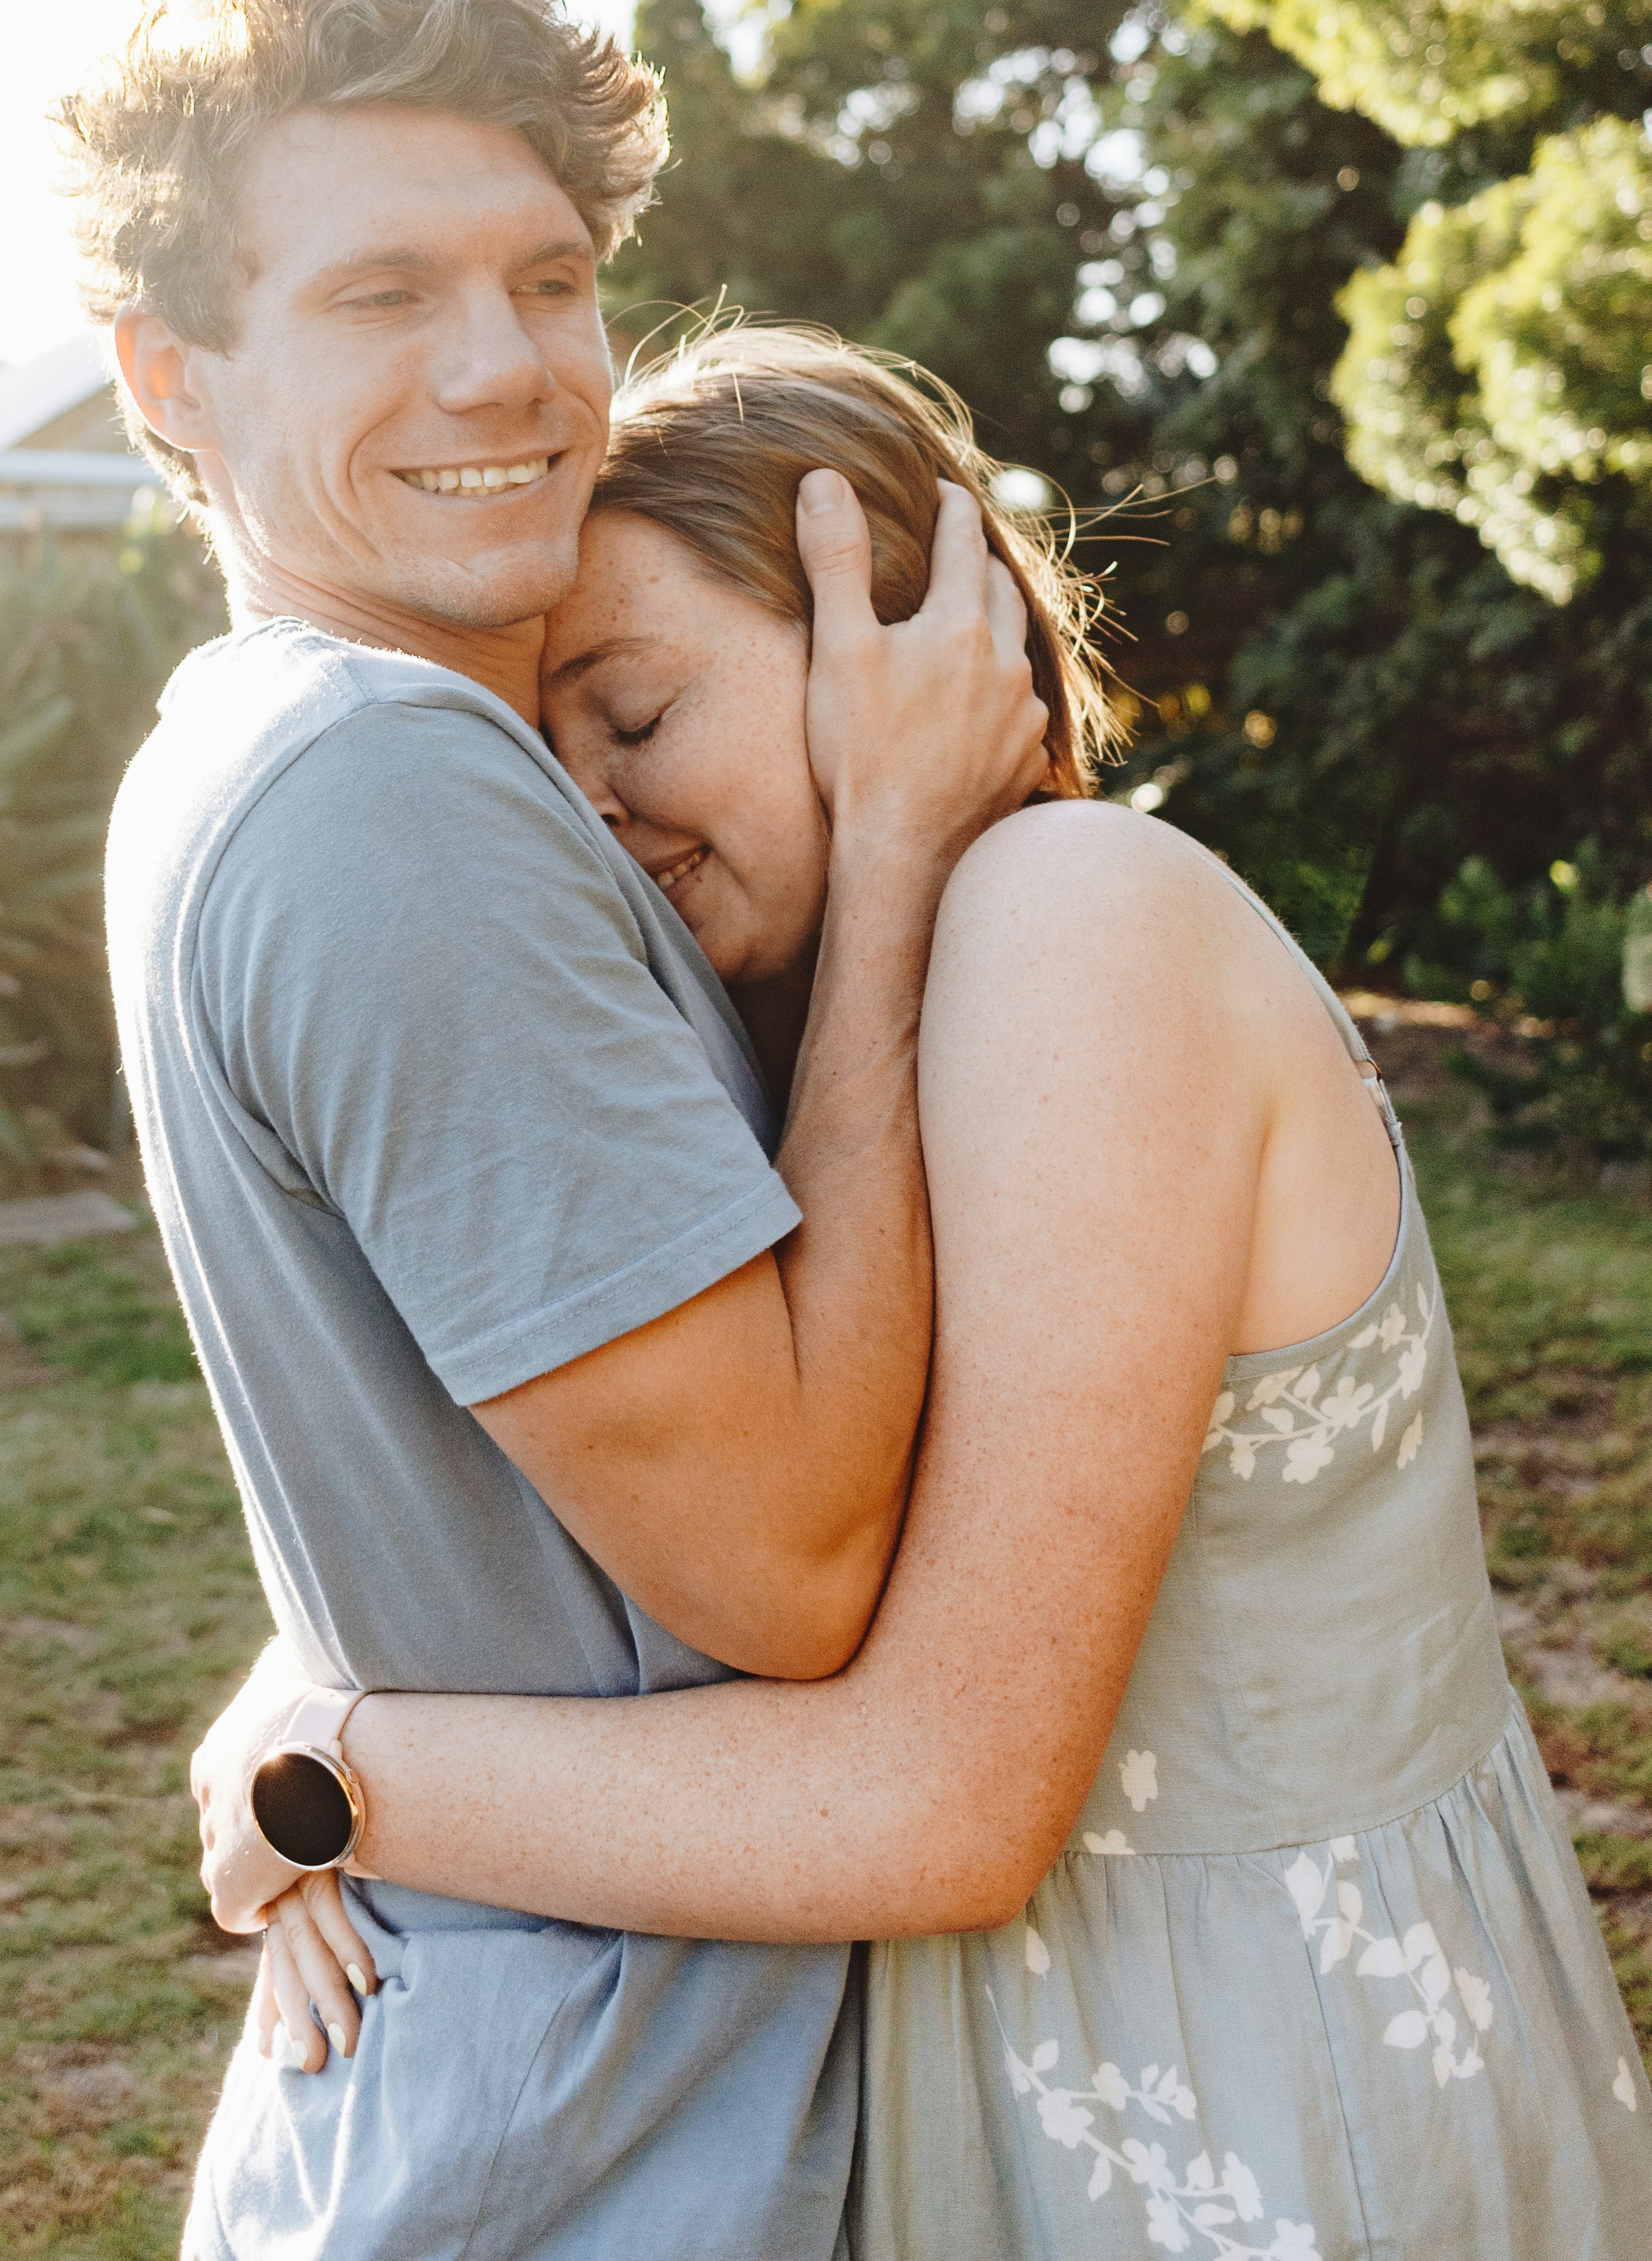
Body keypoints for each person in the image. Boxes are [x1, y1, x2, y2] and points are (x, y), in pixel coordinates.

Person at [202, 324, 1652, 2261]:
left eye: (631, 720)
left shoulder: (1079, 927)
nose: (596, 815)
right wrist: (294, 1689)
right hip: (1005, 2081)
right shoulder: (835, 1046)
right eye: (554, 769)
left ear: (905, 649)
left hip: (1252, 2098)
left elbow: (947, 1796)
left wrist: (344, 1778)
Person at [59, 0, 1051, 2261]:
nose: (505, 365)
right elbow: (788, 1566)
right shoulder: (389, 797)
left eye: (551, 273)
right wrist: (900, 862)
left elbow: (453, 1474)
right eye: (382, 293)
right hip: (604, 2158)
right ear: (169, 380)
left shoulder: (267, 748)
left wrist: (326, 1732)